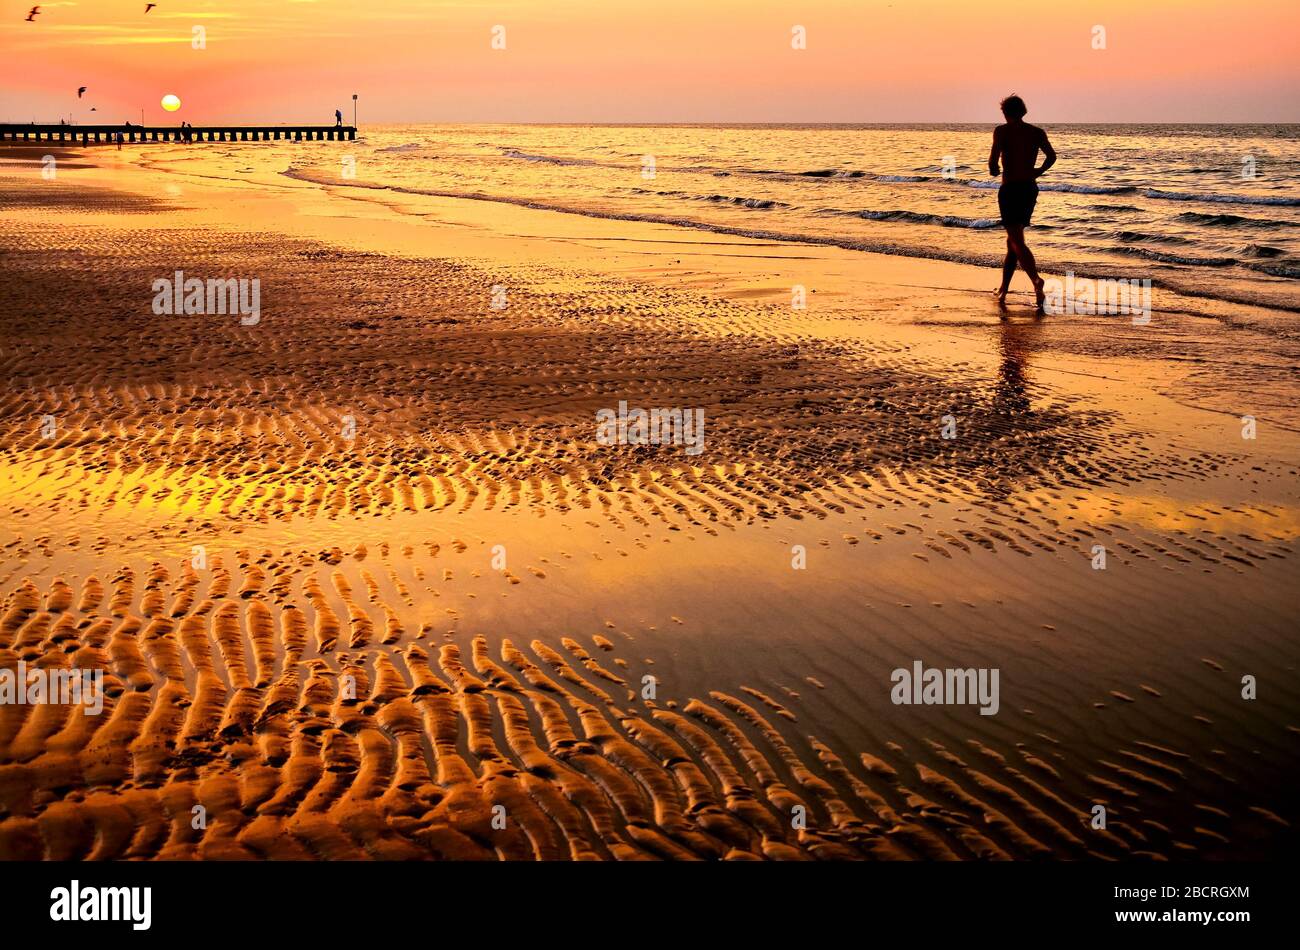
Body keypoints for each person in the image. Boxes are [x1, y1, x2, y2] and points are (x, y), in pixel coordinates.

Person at [989, 95, 1056, 312]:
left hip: (1010, 189)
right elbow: (1051, 156)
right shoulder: (1036, 133)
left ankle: (1036, 280)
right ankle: (1004, 289)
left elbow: (993, 160)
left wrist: (994, 168)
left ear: (1005, 113)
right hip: (1029, 188)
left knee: (1016, 240)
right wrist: (1038, 171)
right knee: (1013, 242)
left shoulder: (1001, 131)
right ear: (1023, 111)